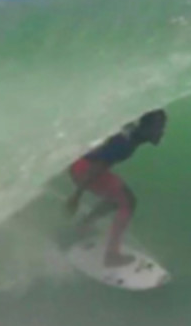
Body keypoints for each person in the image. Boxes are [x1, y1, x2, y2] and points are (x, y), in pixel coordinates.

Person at [65, 109, 167, 267]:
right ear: (147, 128)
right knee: (128, 202)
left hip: (81, 165)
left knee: (115, 199)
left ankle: (83, 226)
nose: (162, 131)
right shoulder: (125, 144)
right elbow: (97, 167)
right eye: (159, 127)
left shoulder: (132, 133)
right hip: (85, 169)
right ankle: (111, 256)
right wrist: (76, 195)